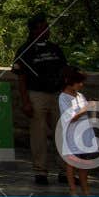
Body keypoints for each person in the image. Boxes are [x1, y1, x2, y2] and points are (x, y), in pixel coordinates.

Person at [14, 12, 68, 185]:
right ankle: (40, 171)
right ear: (35, 30)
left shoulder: (55, 49)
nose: (48, 30)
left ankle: (65, 170)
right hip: (37, 94)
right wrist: (26, 102)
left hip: (57, 95)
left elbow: (64, 72)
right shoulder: (25, 50)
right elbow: (21, 77)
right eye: (44, 27)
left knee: (62, 132)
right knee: (39, 134)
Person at [58, 67, 96, 196]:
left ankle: (86, 190)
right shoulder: (63, 98)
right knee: (72, 162)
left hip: (84, 133)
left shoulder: (80, 96)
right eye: (78, 82)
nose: (81, 85)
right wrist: (86, 109)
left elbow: (87, 113)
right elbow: (71, 118)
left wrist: (92, 109)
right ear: (69, 81)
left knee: (84, 162)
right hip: (72, 135)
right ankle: (73, 190)